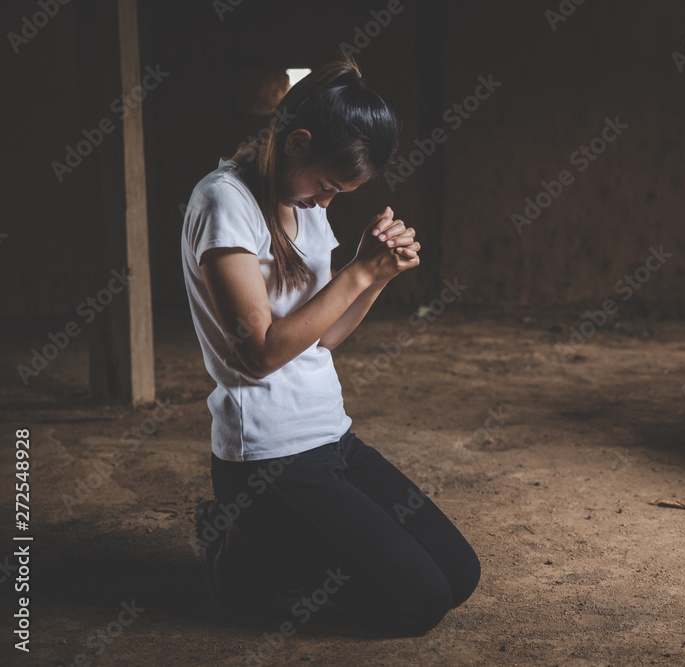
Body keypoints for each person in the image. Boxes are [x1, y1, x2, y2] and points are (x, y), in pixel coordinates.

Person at [180, 56, 480, 637]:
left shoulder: (307, 204)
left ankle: (261, 542)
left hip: (330, 436)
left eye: (339, 193)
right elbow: (259, 353)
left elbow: (327, 336)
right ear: (298, 142)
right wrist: (357, 273)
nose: (326, 202)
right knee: (419, 602)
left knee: (459, 575)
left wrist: (379, 273)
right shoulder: (224, 202)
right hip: (267, 457)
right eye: (327, 186)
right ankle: (243, 558)